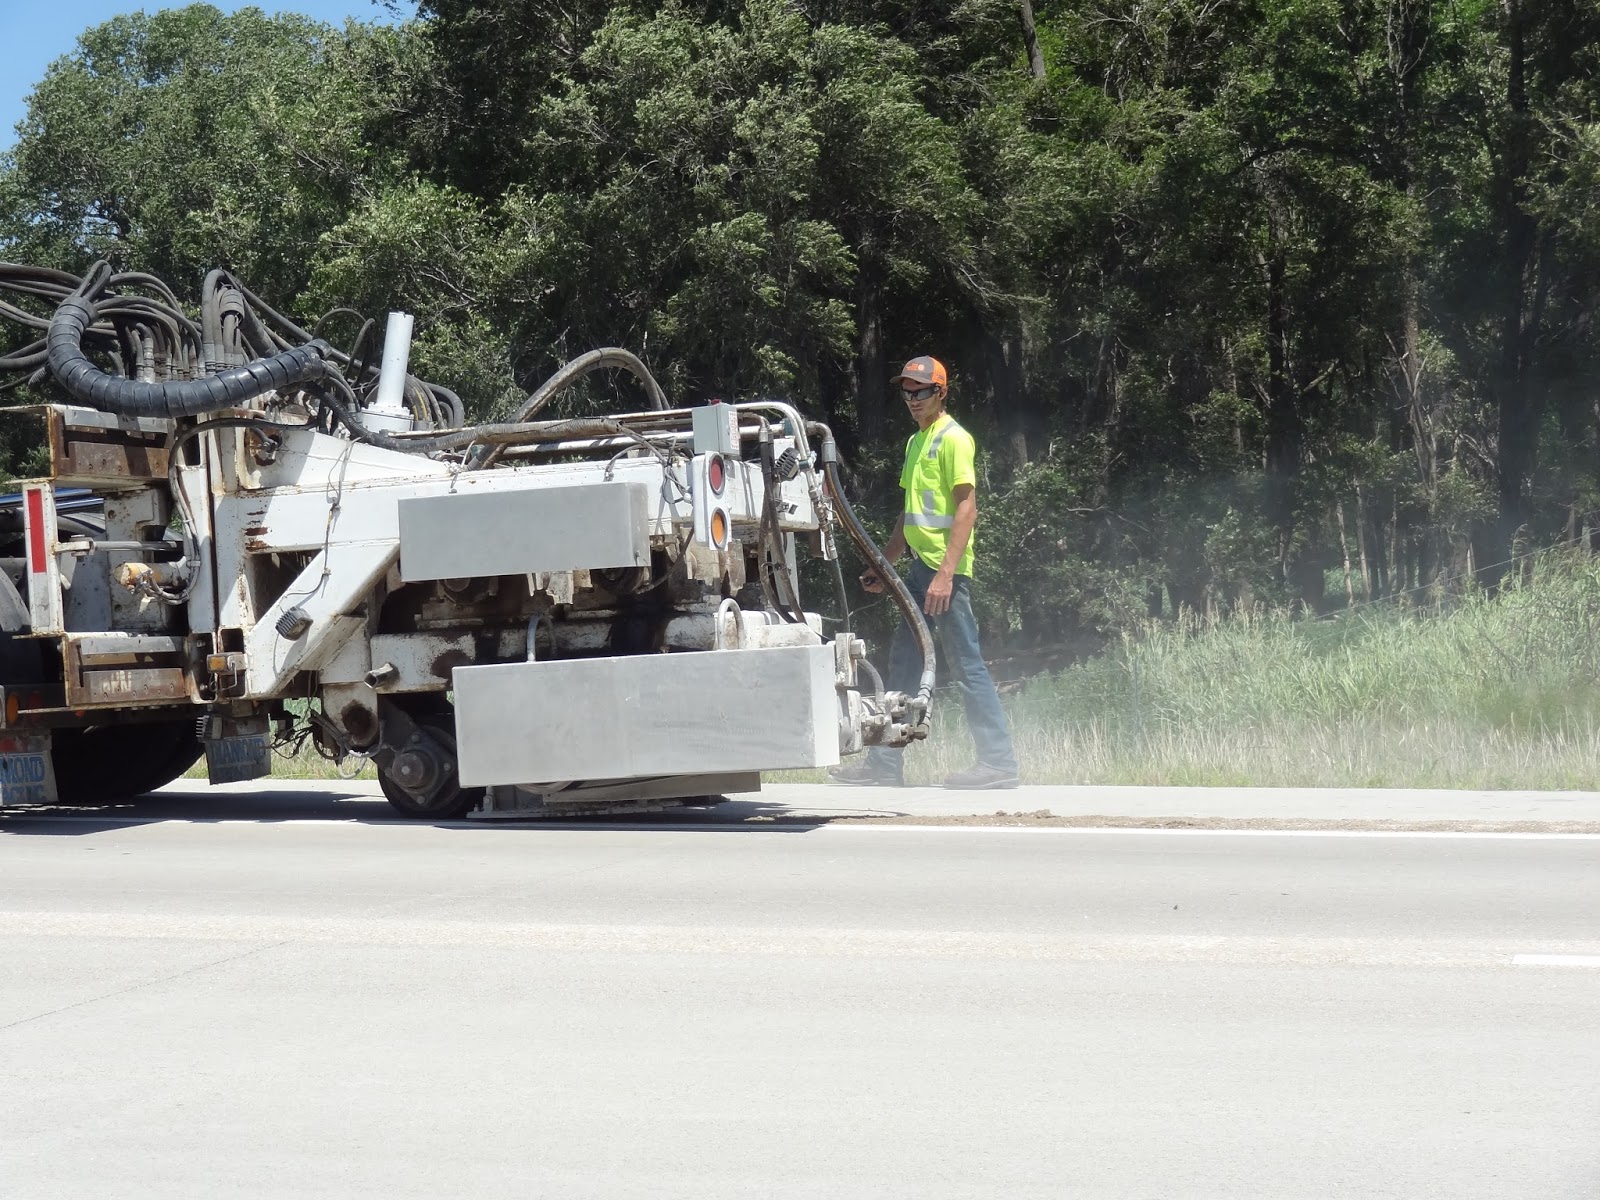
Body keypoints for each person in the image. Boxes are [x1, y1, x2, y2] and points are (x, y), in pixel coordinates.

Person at [830, 355, 1020, 789]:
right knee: (903, 665)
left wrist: (946, 575)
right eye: (907, 391)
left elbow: (967, 509)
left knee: (967, 664)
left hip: (944, 575)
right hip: (919, 572)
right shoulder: (917, 442)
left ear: (941, 392)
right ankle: (884, 767)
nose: (913, 399)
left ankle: (998, 763)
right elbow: (910, 516)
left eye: (921, 391)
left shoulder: (955, 439)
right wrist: (885, 563)